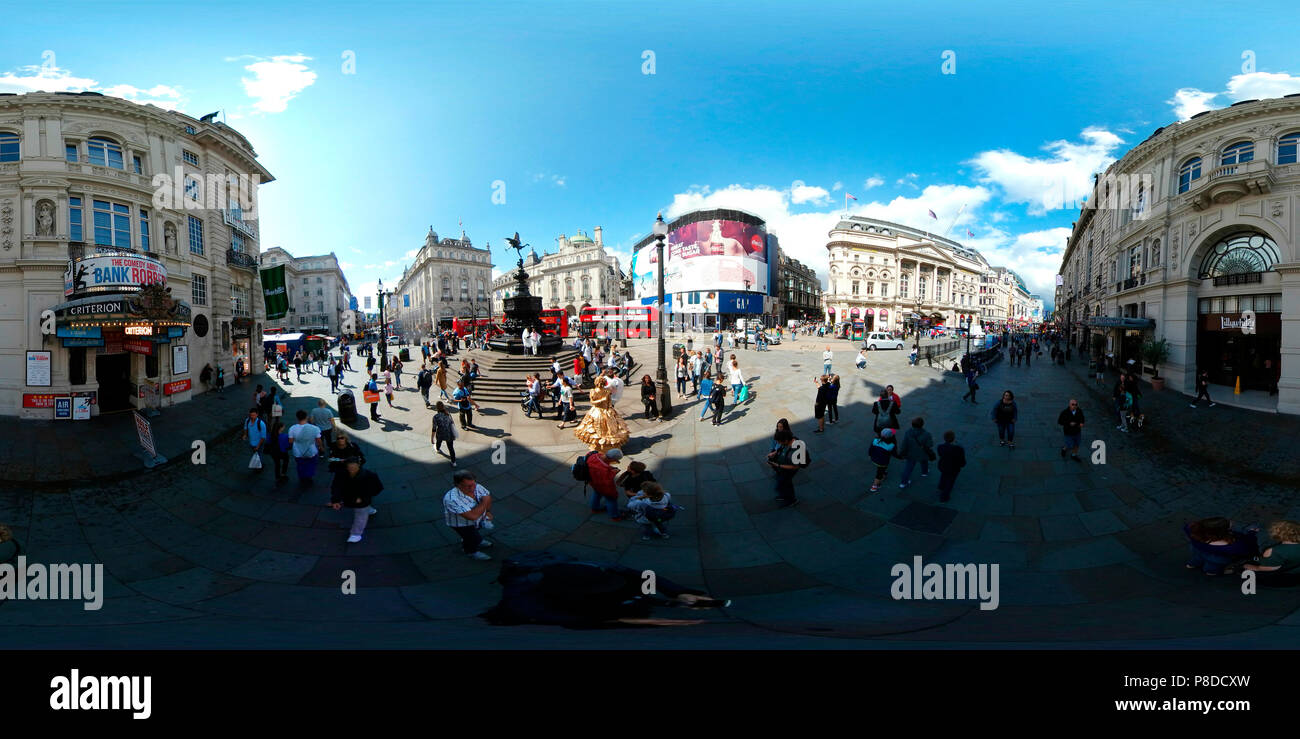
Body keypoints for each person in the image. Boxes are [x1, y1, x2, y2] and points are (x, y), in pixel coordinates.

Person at [331, 457, 384, 543]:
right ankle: (369, 510)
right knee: (363, 511)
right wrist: (335, 500)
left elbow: (378, 488)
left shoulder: (370, 475)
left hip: (362, 501)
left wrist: (363, 497)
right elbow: (336, 487)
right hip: (349, 498)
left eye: (354, 468)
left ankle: (356, 534)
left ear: (359, 465)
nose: (352, 470)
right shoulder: (341, 474)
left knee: (360, 516)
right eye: (349, 468)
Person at [1183, 517, 1258, 576]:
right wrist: (1252, 533)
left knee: (1197, 559)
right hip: (1215, 559)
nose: (1231, 523)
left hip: (1198, 550)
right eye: (1229, 527)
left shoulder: (1192, 530)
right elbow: (1246, 548)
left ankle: (1191, 565)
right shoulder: (1231, 546)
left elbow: (1187, 527)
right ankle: (1211, 573)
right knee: (1212, 567)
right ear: (1222, 533)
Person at [575, 376, 631, 452]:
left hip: (606, 411)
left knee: (610, 429)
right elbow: (592, 402)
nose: (600, 384)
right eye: (600, 383)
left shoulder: (607, 391)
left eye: (602, 383)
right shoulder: (593, 391)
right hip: (597, 411)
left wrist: (610, 410)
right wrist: (602, 400)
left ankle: (608, 445)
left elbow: (609, 403)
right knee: (598, 429)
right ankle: (599, 445)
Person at [288, 409, 325, 486]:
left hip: (297, 451)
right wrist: (321, 447)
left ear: (297, 418)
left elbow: (290, 441)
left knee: (300, 465)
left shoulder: (292, 428)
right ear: (306, 417)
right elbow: (318, 440)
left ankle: (302, 477)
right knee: (311, 464)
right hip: (311, 450)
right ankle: (309, 477)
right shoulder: (314, 428)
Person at [587, 448, 625, 520]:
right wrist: (613, 473)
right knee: (611, 499)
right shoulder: (604, 470)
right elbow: (606, 482)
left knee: (596, 493)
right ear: (612, 459)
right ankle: (615, 516)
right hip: (602, 486)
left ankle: (595, 508)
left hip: (592, 482)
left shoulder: (593, 455)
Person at [897, 417, 935, 488]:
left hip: (911, 454)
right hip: (922, 453)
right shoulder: (926, 434)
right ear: (922, 425)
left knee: (908, 468)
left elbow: (904, 444)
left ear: (912, 425)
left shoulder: (908, 433)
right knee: (924, 462)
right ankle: (924, 472)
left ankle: (903, 483)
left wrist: (902, 453)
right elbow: (930, 445)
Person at [767, 429, 801, 508]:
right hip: (783, 466)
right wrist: (774, 453)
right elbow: (781, 447)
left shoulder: (795, 450)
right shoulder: (788, 440)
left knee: (787, 483)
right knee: (782, 482)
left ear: (785, 440)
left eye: (779, 441)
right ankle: (784, 495)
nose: (778, 443)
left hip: (789, 470)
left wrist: (777, 465)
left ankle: (792, 500)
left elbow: (795, 466)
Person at [935, 430, 966, 502]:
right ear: (953, 438)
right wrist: (962, 464)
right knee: (950, 482)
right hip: (953, 468)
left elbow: (940, 455)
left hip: (943, 465)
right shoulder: (959, 449)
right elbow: (961, 459)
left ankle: (941, 486)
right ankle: (944, 496)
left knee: (944, 475)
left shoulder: (940, 447)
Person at [868, 427, 899, 493]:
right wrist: (902, 457)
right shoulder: (891, 445)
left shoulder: (875, 441)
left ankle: (884, 474)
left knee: (881, 469)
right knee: (879, 473)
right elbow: (895, 454)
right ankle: (874, 486)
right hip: (883, 462)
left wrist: (870, 455)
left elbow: (870, 449)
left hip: (874, 459)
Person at [431, 401, 458, 467]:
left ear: (436, 408)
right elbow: (452, 423)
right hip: (449, 433)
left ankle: (437, 449)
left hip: (440, 433)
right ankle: (454, 462)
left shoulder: (435, 417)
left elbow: (434, 428)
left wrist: (432, 438)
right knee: (451, 448)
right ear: (443, 407)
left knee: (439, 441)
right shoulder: (448, 414)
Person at [242, 407, 268, 473]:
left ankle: (259, 467)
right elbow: (245, 428)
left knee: (259, 454)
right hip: (251, 442)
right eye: (251, 415)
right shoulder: (247, 420)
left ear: (257, 414)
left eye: (253, 415)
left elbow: (263, 437)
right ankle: (257, 465)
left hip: (260, 443)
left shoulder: (261, 424)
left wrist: (258, 446)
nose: (252, 417)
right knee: (254, 454)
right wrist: (245, 434)